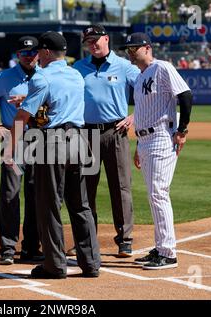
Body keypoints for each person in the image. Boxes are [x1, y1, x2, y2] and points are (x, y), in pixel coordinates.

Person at [8, 31, 101, 279]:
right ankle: (91, 263)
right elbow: (56, 101)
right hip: (80, 140)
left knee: (49, 205)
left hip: (52, 142)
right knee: (80, 205)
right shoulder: (76, 75)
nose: (36, 54)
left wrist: (10, 149)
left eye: (39, 50)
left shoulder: (42, 77)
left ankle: (55, 265)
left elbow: (22, 117)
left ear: (47, 52)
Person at [123, 32, 193, 270]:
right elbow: (142, 112)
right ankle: (161, 246)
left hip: (162, 137)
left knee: (158, 193)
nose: (131, 52)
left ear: (147, 48)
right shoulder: (140, 76)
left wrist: (182, 130)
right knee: (154, 195)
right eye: (128, 49)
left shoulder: (162, 67)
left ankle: (168, 253)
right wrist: (138, 146)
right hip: (145, 140)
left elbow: (185, 95)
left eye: (135, 48)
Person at [71, 24, 139, 258]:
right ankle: (87, 239)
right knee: (84, 189)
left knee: (120, 187)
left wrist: (134, 115)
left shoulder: (124, 66)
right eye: (88, 41)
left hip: (115, 132)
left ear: (106, 39)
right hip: (86, 134)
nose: (92, 44)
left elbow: (149, 90)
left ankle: (125, 239)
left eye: (95, 39)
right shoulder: (78, 68)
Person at [0, 36, 43, 265]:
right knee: (10, 193)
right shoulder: (5, 77)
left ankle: (32, 247)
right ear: (17, 55)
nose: (29, 56)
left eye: (33, 52)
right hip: (14, 137)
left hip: (41, 137)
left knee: (36, 194)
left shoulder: (48, 75)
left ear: (40, 53)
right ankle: (8, 247)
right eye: (24, 53)